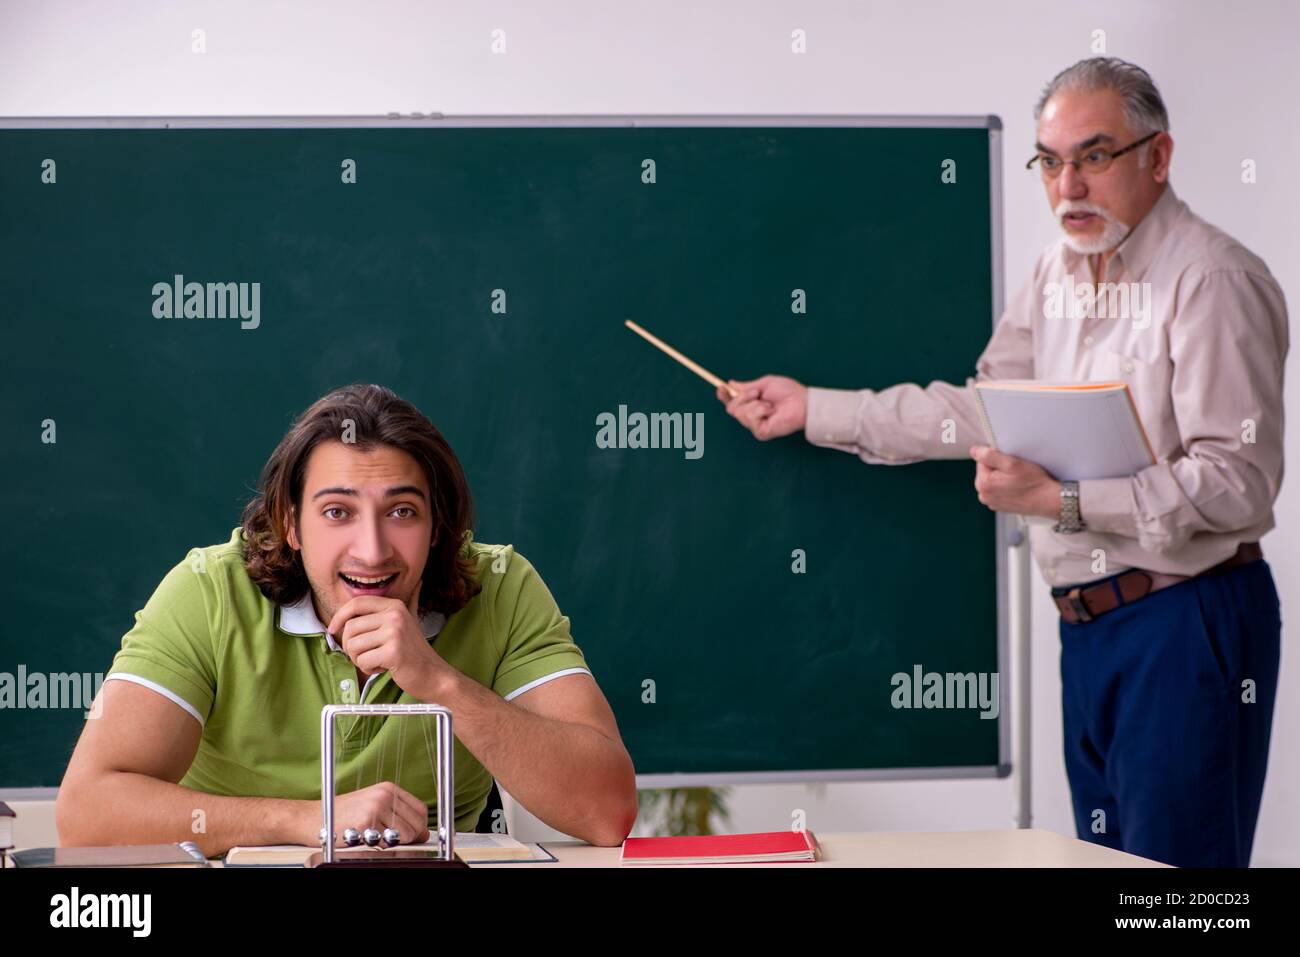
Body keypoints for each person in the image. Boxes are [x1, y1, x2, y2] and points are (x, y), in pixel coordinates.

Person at [718, 58, 1287, 868]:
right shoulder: (1058, 274)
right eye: (1050, 161)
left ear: (1158, 157)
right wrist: (819, 407)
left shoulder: (1213, 281)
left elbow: (1239, 480)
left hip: (1185, 621)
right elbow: (982, 409)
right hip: (1090, 629)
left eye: (1094, 156)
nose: (1068, 186)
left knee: (1178, 902)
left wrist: (1063, 501)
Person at [58, 383, 638, 855]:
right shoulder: (207, 592)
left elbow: (607, 812)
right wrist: (312, 820)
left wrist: (437, 679)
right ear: (290, 524)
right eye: (337, 511)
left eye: (402, 511)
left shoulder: (502, 586)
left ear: (438, 527)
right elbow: (87, 813)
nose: (373, 549)